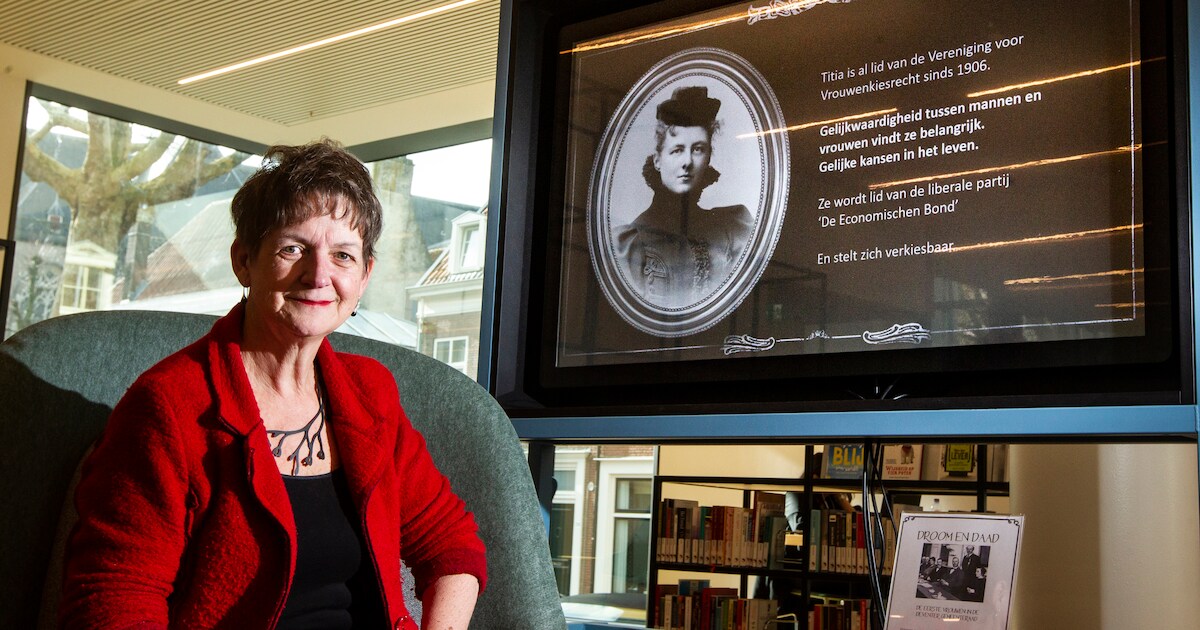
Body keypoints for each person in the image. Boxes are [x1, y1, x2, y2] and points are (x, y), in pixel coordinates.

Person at [59, 140, 486, 629]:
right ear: (245, 260)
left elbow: (451, 542)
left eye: (343, 255)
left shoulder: (371, 393)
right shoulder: (168, 406)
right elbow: (113, 599)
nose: (319, 274)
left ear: (365, 275)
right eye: (293, 248)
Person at [615, 85, 753, 309]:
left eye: (698, 149)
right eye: (677, 150)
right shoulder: (629, 243)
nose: (687, 162)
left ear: (708, 158)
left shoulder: (733, 229)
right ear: (658, 159)